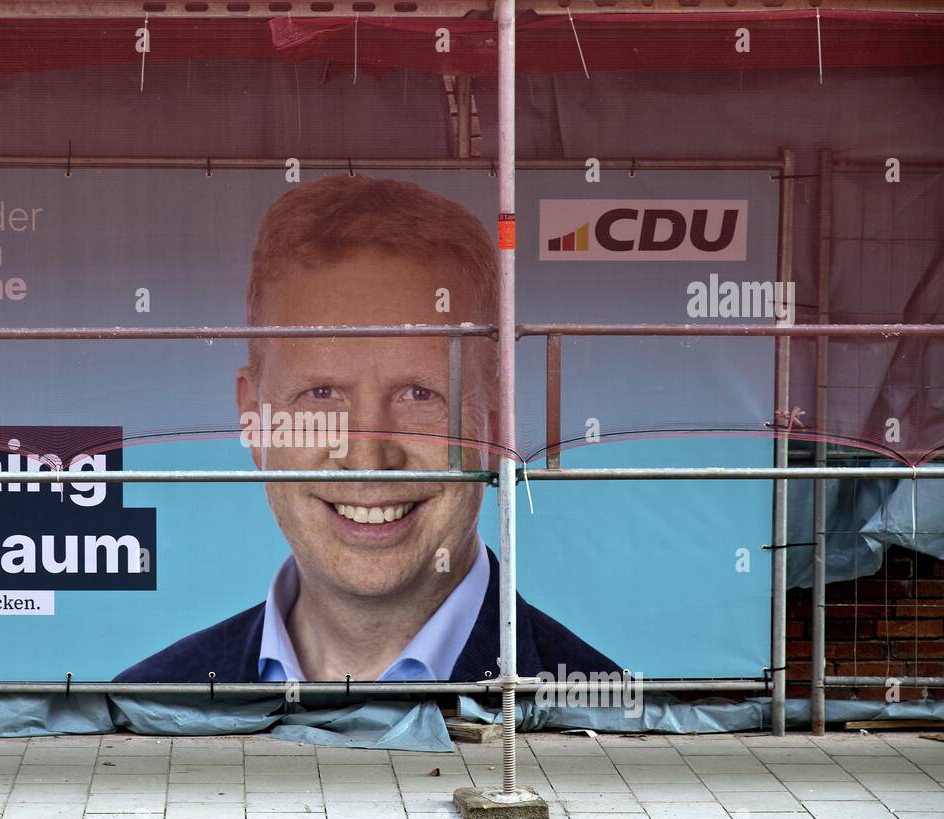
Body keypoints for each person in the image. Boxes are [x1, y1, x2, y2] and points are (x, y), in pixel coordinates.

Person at [117, 175, 617, 683]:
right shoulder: (144, 706)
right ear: (255, 420)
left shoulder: (607, 721)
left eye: (420, 395)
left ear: (495, 422)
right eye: (322, 394)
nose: (367, 458)